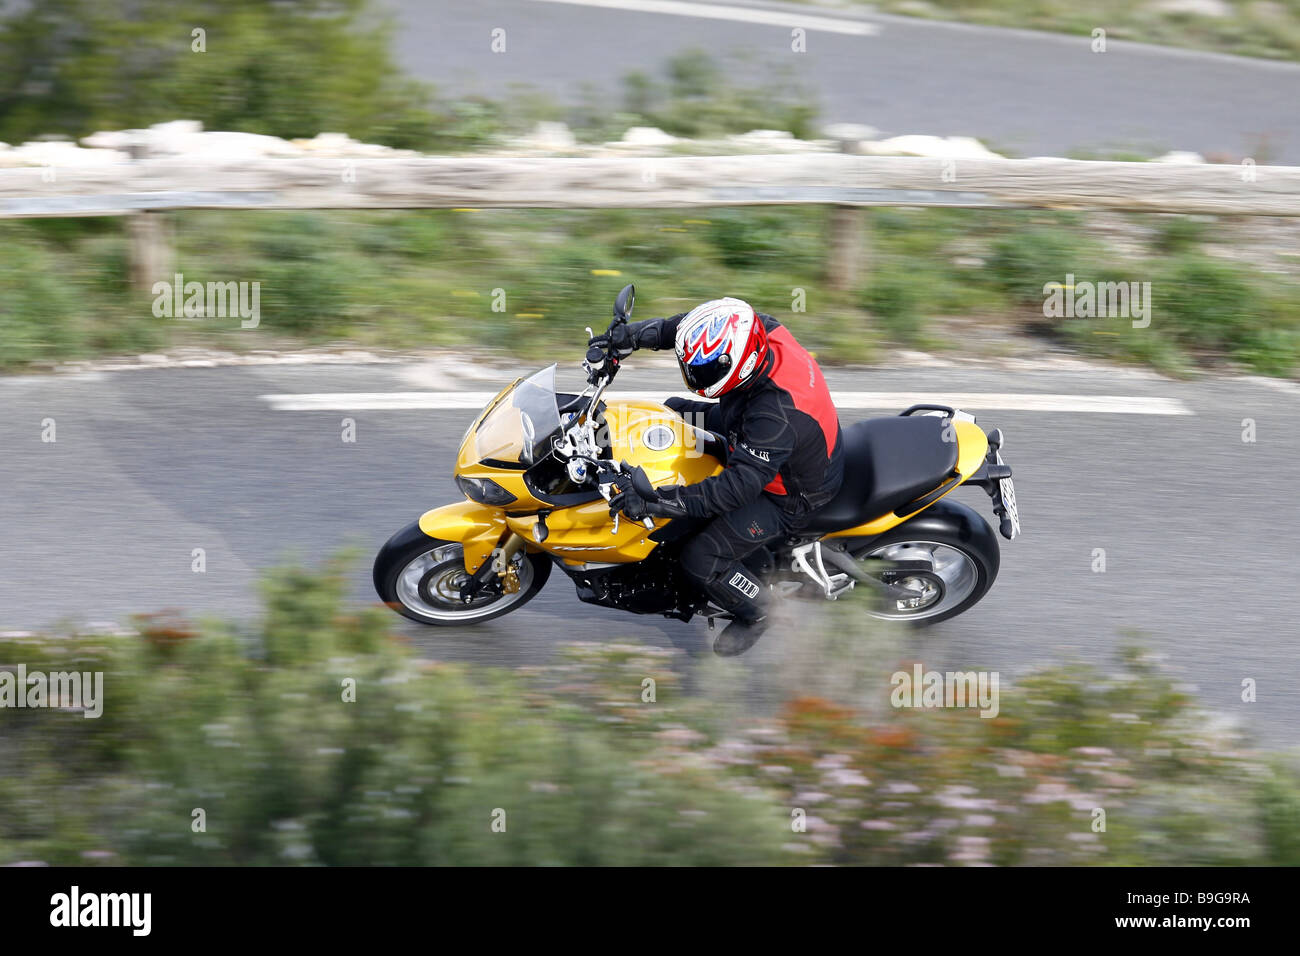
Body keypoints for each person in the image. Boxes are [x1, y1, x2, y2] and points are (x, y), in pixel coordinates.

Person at [591, 297, 844, 656]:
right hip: (747, 419)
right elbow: (679, 329)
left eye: (706, 371)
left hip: (790, 493)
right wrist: (627, 337)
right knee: (670, 413)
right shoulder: (756, 331)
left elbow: (737, 487)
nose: (696, 376)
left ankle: (759, 613)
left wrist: (657, 499)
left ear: (740, 365)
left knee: (701, 558)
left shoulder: (775, 415)